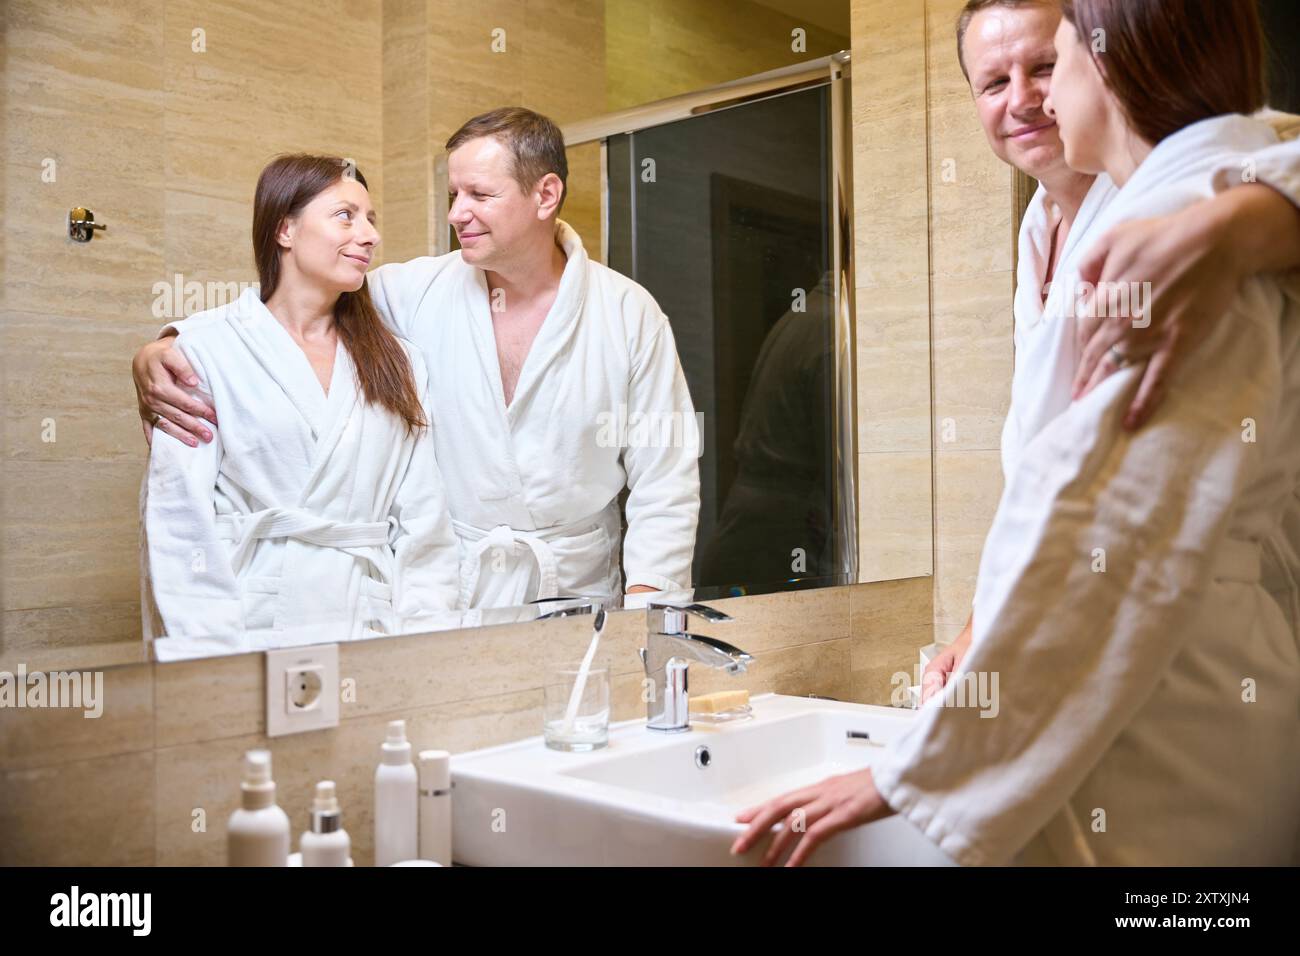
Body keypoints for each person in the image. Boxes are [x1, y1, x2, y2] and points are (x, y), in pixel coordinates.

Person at [734, 0, 1300, 866]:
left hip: (1175, 682)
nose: (1029, 98)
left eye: (1050, 62)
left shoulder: (1178, 225)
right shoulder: (1045, 227)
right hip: (1145, 662)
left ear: (1110, 63)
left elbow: (1107, 534)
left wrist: (912, 774)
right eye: (993, 82)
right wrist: (977, 632)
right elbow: (1064, 491)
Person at [133, 108, 700, 610]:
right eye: (454, 195)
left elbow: (665, 477)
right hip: (453, 582)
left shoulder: (628, 314)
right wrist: (166, 347)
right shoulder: (413, 292)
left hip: (576, 586)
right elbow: (291, 312)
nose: (457, 214)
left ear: (544, 196)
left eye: (479, 195)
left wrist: (652, 609)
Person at [141, 155, 460, 660]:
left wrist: (426, 640)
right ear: (285, 229)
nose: (370, 235)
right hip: (251, 621)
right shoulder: (205, 349)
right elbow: (181, 520)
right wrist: (207, 650)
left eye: (371, 219)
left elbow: (424, 521)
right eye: (345, 215)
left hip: (369, 623)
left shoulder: (400, 362)